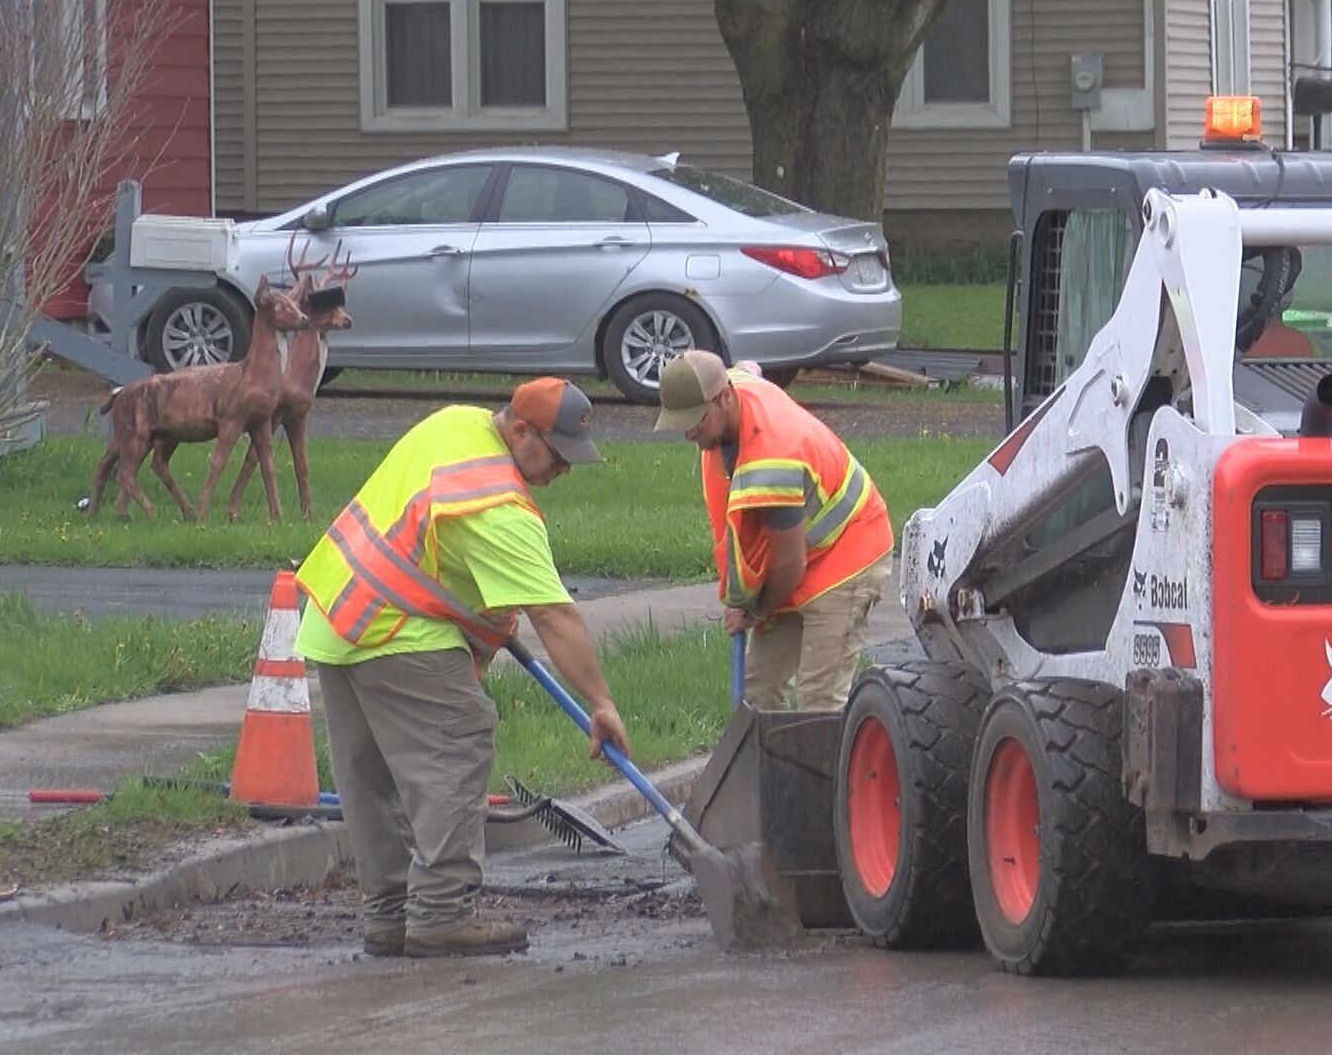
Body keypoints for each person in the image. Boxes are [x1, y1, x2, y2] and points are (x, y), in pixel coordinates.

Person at [293, 378, 631, 959]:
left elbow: (433, 540)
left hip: (337, 616)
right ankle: (442, 912)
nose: (563, 471)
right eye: (558, 456)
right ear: (520, 431)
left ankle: (390, 914)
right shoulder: (498, 505)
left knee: (372, 777)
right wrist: (601, 703)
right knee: (457, 741)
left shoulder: (456, 425)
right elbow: (555, 616)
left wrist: (488, 613)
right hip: (396, 630)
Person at [654, 350, 892, 712]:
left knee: (818, 701)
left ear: (725, 398)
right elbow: (749, 368)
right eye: (680, 423)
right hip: (800, 554)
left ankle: (826, 750)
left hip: (849, 554)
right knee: (758, 692)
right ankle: (767, 751)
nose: (688, 433)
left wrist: (754, 612)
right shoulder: (735, 384)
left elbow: (790, 565)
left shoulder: (772, 461)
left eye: (696, 421)